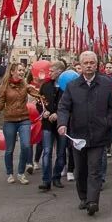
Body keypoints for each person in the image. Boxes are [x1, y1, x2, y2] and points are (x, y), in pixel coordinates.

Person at [58, 51, 112, 217]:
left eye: (92, 62)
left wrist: (107, 122)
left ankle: (93, 201)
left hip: (99, 135)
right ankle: (84, 197)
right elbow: (64, 107)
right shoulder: (72, 86)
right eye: (85, 63)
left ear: (96, 64)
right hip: (78, 136)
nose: (88, 65)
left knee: (94, 169)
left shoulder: (106, 84)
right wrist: (62, 123)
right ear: (80, 65)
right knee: (81, 170)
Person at [0, 62, 40, 185]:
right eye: (20, 70)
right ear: (12, 72)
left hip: (24, 120)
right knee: (9, 149)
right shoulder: (4, 86)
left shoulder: (24, 84)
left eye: (23, 70)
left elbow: (34, 93)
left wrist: (39, 93)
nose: (22, 72)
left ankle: (21, 173)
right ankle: (10, 173)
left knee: (26, 146)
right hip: (10, 121)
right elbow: (0, 105)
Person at [37, 61, 66, 191]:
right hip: (47, 123)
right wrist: (43, 111)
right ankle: (46, 180)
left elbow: (70, 105)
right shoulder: (45, 86)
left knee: (60, 153)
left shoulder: (67, 86)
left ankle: (57, 177)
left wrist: (59, 115)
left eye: (52, 71)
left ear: (60, 71)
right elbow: (40, 102)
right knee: (47, 151)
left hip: (62, 124)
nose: (49, 73)